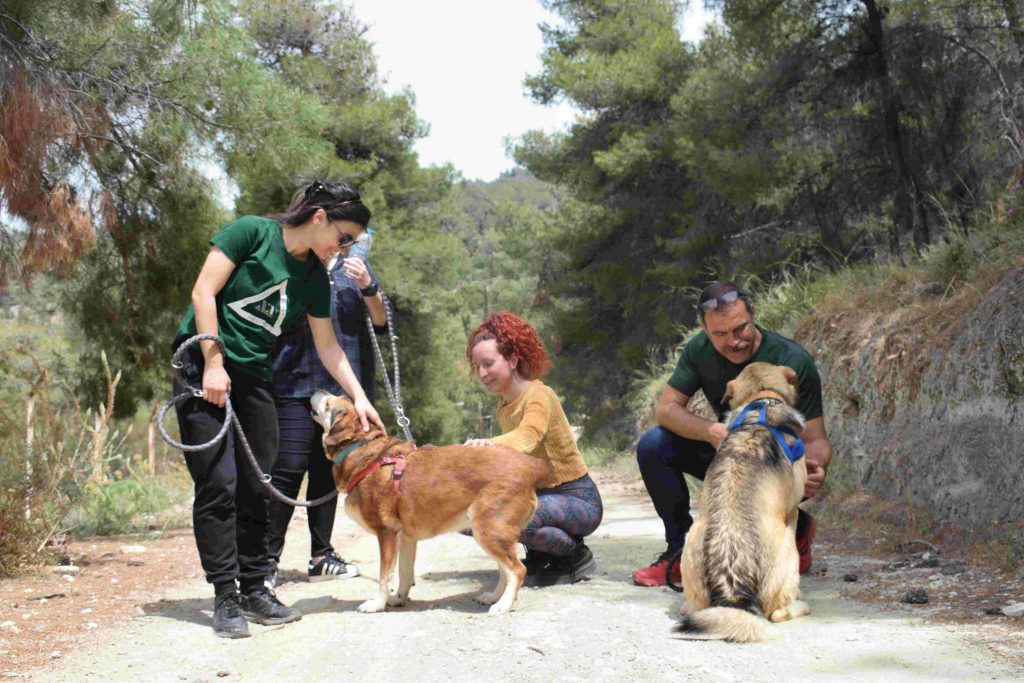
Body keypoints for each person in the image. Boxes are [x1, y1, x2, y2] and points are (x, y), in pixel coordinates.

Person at [171, 180, 385, 638]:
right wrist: (213, 362)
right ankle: (225, 596)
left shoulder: (314, 280)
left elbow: (329, 347)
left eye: (351, 243)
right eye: (343, 238)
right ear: (320, 218)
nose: (343, 249)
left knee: (258, 483)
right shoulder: (251, 233)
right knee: (219, 483)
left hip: (254, 375)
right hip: (203, 364)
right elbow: (203, 292)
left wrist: (361, 398)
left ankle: (254, 588)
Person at [631, 281, 833, 587]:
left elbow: (816, 438)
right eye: (720, 334)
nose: (734, 342)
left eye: (740, 329)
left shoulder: (793, 359)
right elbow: (667, 409)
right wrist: (709, 431)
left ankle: (797, 528)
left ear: (753, 313)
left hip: (777, 465)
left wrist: (814, 467)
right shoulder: (698, 350)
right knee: (654, 444)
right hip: (727, 451)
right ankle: (681, 553)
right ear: (704, 329)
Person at [264, 216, 387, 589]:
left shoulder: (355, 268)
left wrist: (368, 286)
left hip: (343, 389)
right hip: (293, 380)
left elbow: (381, 321)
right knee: (287, 468)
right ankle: (264, 563)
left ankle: (321, 557)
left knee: (328, 471)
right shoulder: (297, 266)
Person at [464, 312, 603, 586]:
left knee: (501, 516)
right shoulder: (504, 407)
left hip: (577, 499)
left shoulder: (539, 395)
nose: (482, 374)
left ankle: (575, 556)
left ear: (513, 359)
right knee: (468, 517)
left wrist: (488, 444)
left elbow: (528, 436)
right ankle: (541, 555)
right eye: (477, 366)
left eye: (488, 364)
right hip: (541, 497)